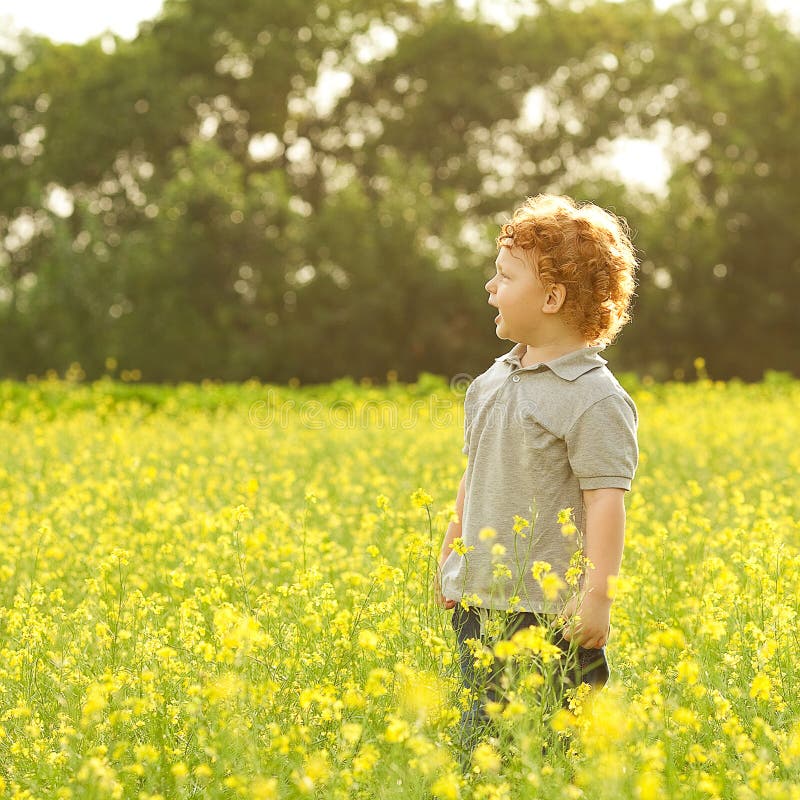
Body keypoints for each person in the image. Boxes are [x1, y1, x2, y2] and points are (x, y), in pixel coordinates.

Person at [434, 194, 640, 772]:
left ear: (551, 299)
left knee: (564, 747)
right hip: (479, 600)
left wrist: (597, 596)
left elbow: (605, 500)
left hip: (553, 612)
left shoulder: (594, 397)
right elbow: (473, 476)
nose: (489, 287)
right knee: (484, 738)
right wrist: (452, 552)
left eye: (504, 275)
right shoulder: (488, 382)